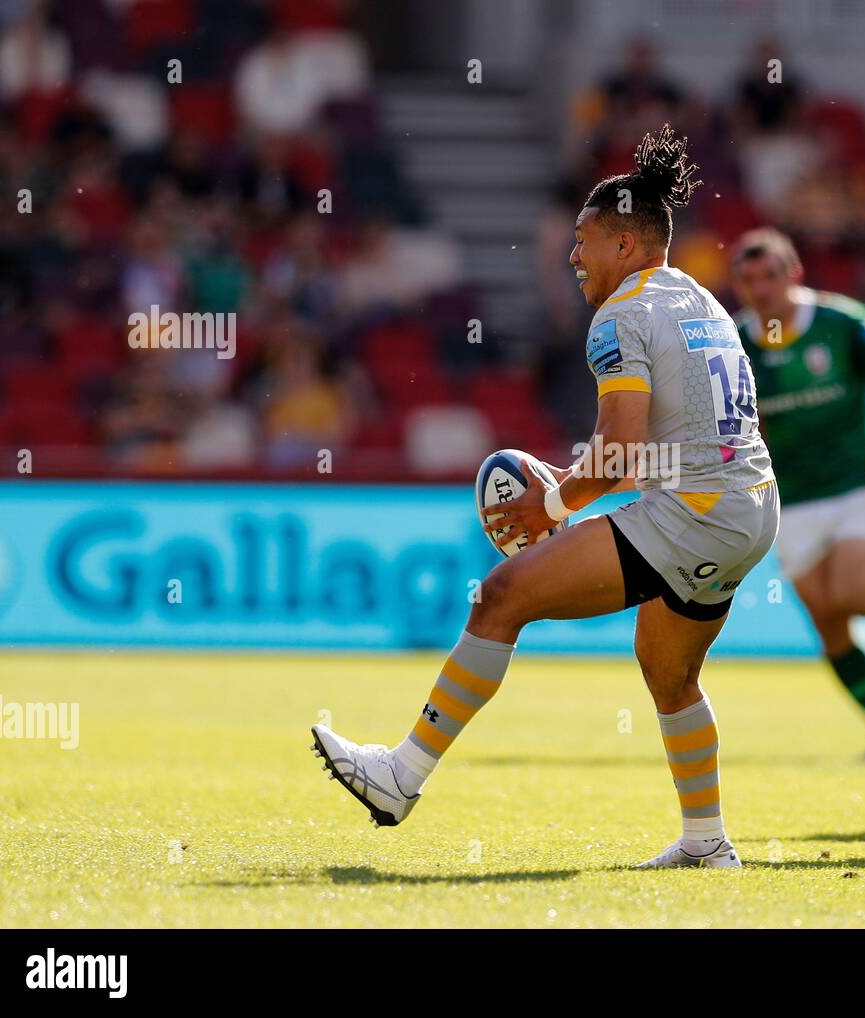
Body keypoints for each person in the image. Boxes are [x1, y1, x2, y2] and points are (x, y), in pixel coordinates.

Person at [311, 125, 779, 869]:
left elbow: (622, 449)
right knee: (668, 668)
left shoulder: (620, 315)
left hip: (694, 511)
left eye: (584, 241)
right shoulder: (697, 295)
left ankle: (400, 776)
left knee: (501, 595)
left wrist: (556, 504)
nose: (571, 257)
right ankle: (707, 840)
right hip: (752, 506)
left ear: (625, 246)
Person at [730, 227, 865, 758]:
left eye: (769, 276)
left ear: (794, 274)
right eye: (749, 280)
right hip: (792, 499)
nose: (761, 289)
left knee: (851, 590)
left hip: (856, 486)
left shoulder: (842, 323)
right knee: (828, 622)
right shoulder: (738, 345)